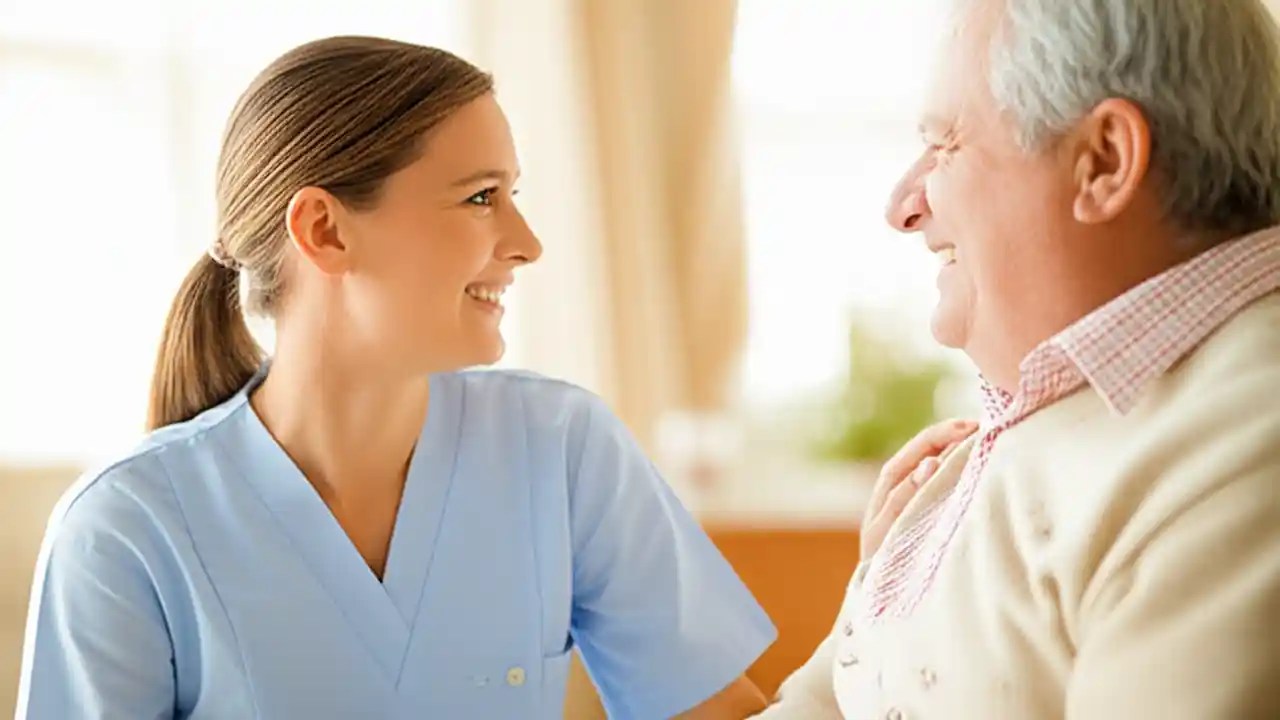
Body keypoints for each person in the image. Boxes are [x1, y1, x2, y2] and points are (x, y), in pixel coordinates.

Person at [16, 36, 777, 720]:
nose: (527, 242)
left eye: (515, 195)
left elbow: (711, 712)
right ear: (325, 229)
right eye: (481, 197)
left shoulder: (561, 448)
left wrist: (868, 630)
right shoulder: (125, 529)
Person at [758, 0, 1280, 717]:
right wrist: (882, 586)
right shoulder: (1041, 410)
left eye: (946, 145)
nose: (902, 207)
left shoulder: (1242, 453)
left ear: (1104, 161)